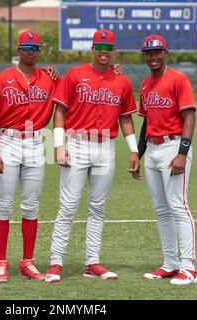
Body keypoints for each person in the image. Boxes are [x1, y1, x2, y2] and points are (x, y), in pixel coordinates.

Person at [45, 29, 140, 283]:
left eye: (108, 47)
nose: (104, 52)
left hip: (105, 147)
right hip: (77, 144)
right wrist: (58, 145)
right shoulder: (75, 75)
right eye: (100, 47)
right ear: (92, 48)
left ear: (114, 50)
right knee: (68, 206)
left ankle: (92, 262)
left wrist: (133, 149)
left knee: (98, 208)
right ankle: (55, 263)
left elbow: (125, 117)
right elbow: (60, 111)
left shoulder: (122, 80)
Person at [0, 30, 60, 282]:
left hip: (37, 142)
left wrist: (114, 68)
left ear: (39, 51)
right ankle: (1, 262)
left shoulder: (50, 78)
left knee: (31, 205)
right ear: (18, 50)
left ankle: (27, 261)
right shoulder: (3, 78)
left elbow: (78, 85)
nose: (30, 51)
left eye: (34, 47)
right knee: (3, 205)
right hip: (8, 141)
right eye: (26, 47)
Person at [137, 35, 197, 286]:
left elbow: (190, 116)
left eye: (157, 52)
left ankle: (190, 266)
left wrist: (182, 153)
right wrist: (137, 154)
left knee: (178, 205)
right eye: (149, 53)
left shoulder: (178, 79)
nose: (153, 57)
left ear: (166, 53)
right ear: (144, 56)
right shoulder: (144, 84)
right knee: (162, 209)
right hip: (152, 148)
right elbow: (146, 121)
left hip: (174, 146)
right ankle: (171, 263)